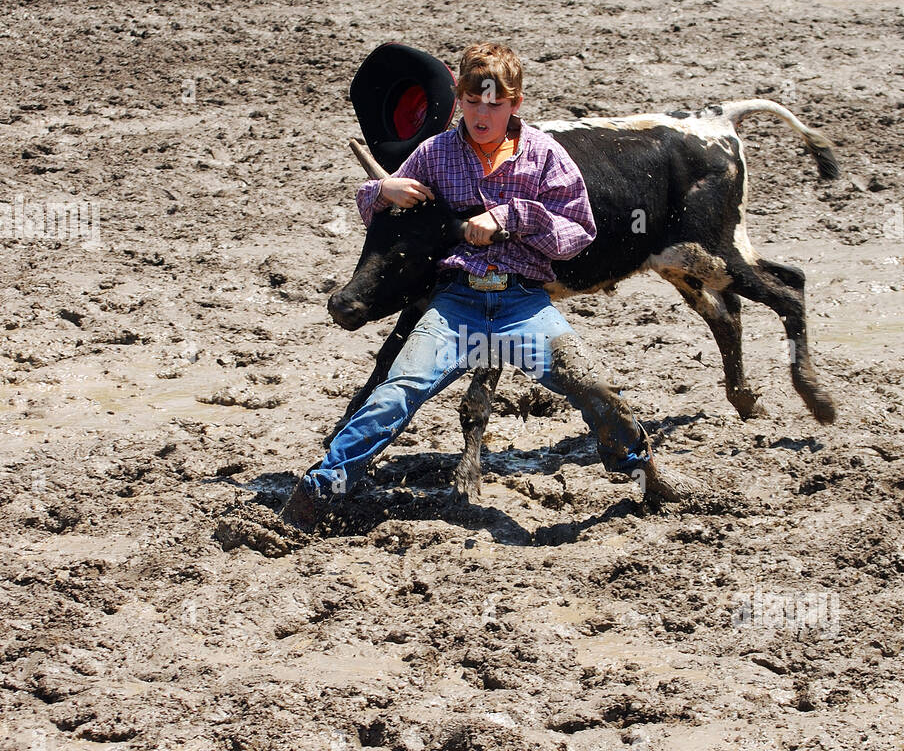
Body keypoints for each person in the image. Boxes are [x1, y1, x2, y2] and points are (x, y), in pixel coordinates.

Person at [279, 42, 701, 531]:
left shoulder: (545, 155)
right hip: (454, 302)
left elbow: (578, 232)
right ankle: (318, 491)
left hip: (522, 303)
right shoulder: (434, 153)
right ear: (458, 98)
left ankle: (643, 470)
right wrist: (380, 190)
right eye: (473, 102)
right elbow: (385, 219)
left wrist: (514, 217)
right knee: (397, 391)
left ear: (515, 103)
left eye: (494, 104)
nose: (482, 114)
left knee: (591, 386)